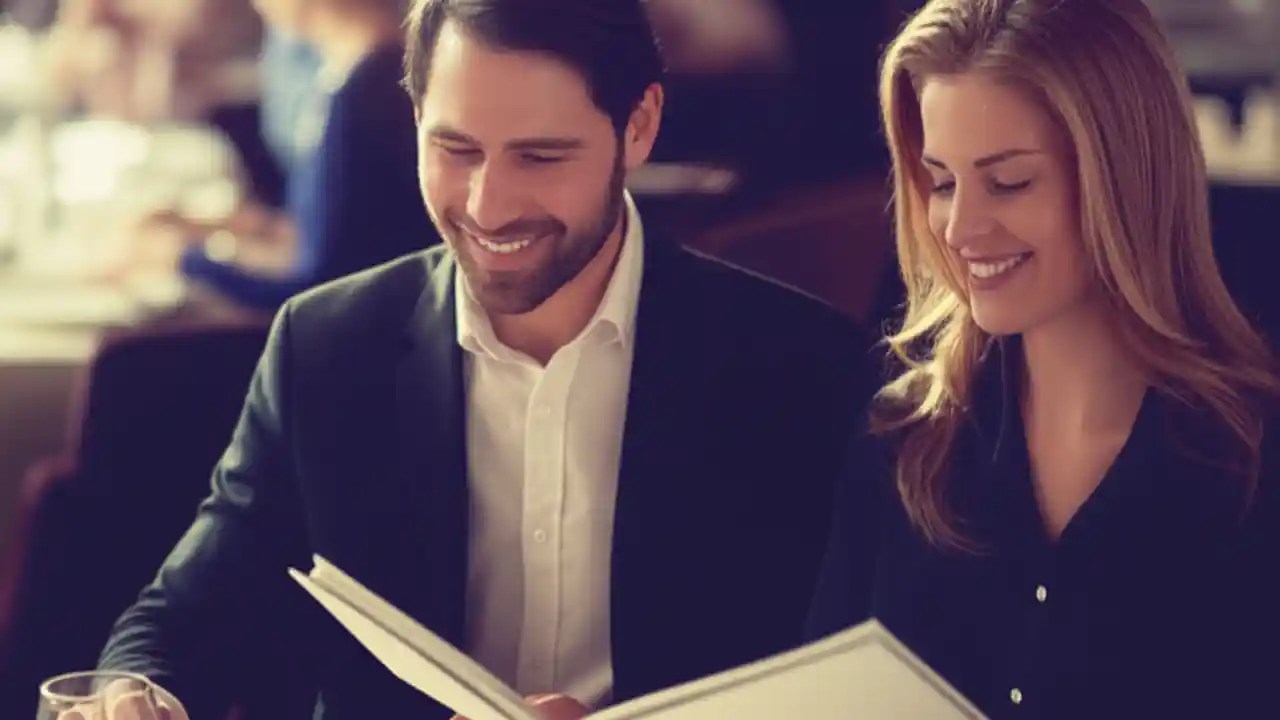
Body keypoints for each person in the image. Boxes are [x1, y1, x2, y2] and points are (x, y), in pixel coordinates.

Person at [92, 1, 875, 718]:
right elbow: (176, 624)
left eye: (540, 156)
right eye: (455, 148)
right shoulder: (328, 348)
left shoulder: (796, 368)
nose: (486, 205)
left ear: (638, 128)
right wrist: (135, 692)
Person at [807, 0, 1280, 718]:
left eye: (1009, 182)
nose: (961, 227)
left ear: (1125, 176)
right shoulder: (904, 437)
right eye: (941, 182)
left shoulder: (1253, 455)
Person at [166, 0, 438, 312]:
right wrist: (216, 231)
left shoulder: (369, 92)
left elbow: (318, 289)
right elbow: (320, 242)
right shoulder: (357, 74)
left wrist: (187, 260)